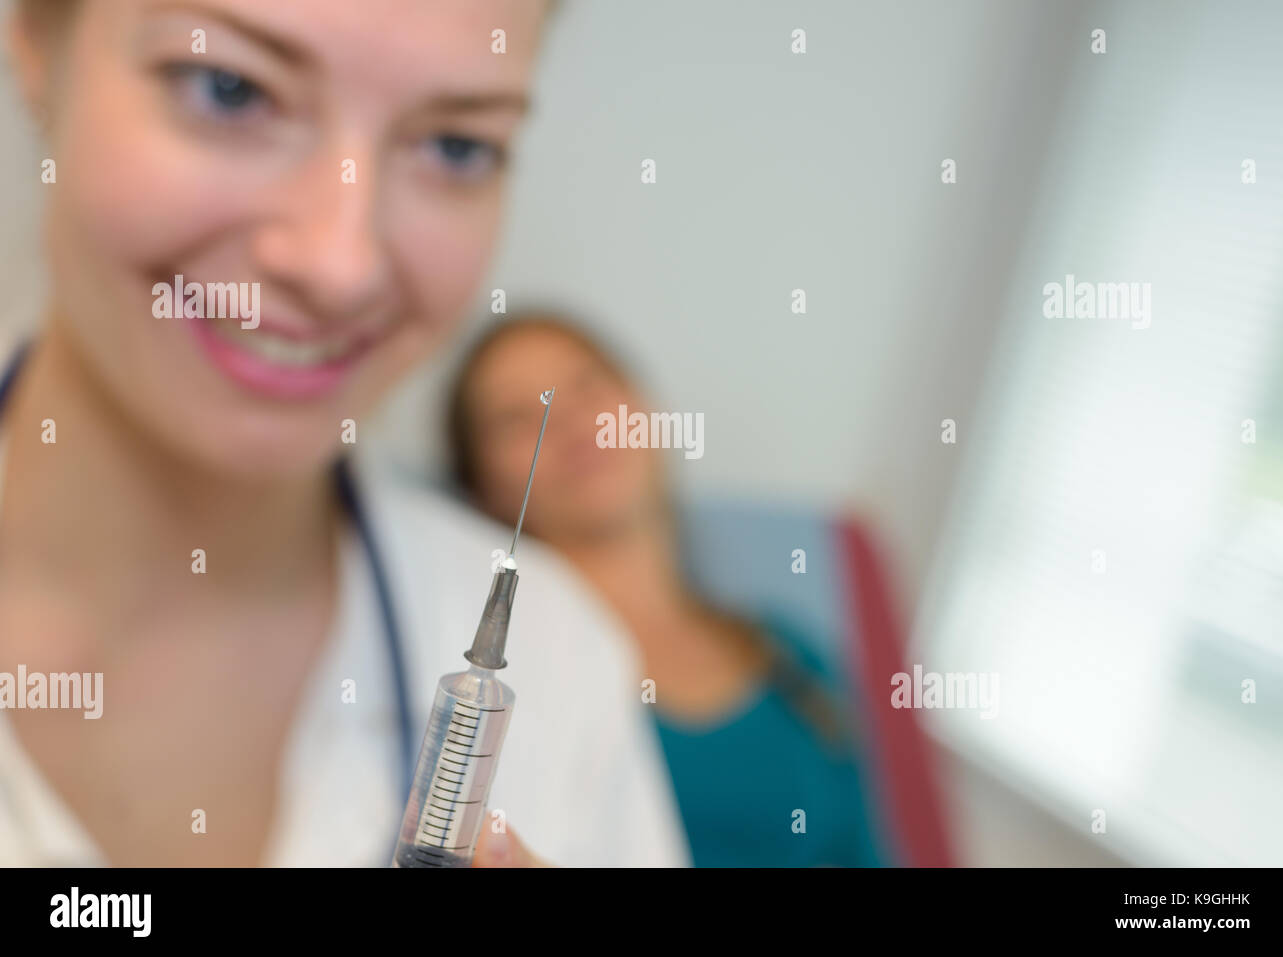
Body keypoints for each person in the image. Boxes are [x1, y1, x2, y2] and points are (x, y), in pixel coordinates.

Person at [0, 0, 688, 867]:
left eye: (455, 146)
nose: (339, 263)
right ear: (34, 36)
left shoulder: (567, 668)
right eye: (230, 88)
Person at [446, 311, 890, 866]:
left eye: (588, 385)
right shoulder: (507, 692)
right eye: (517, 417)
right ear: (483, 490)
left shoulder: (796, 657)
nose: (573, 423)